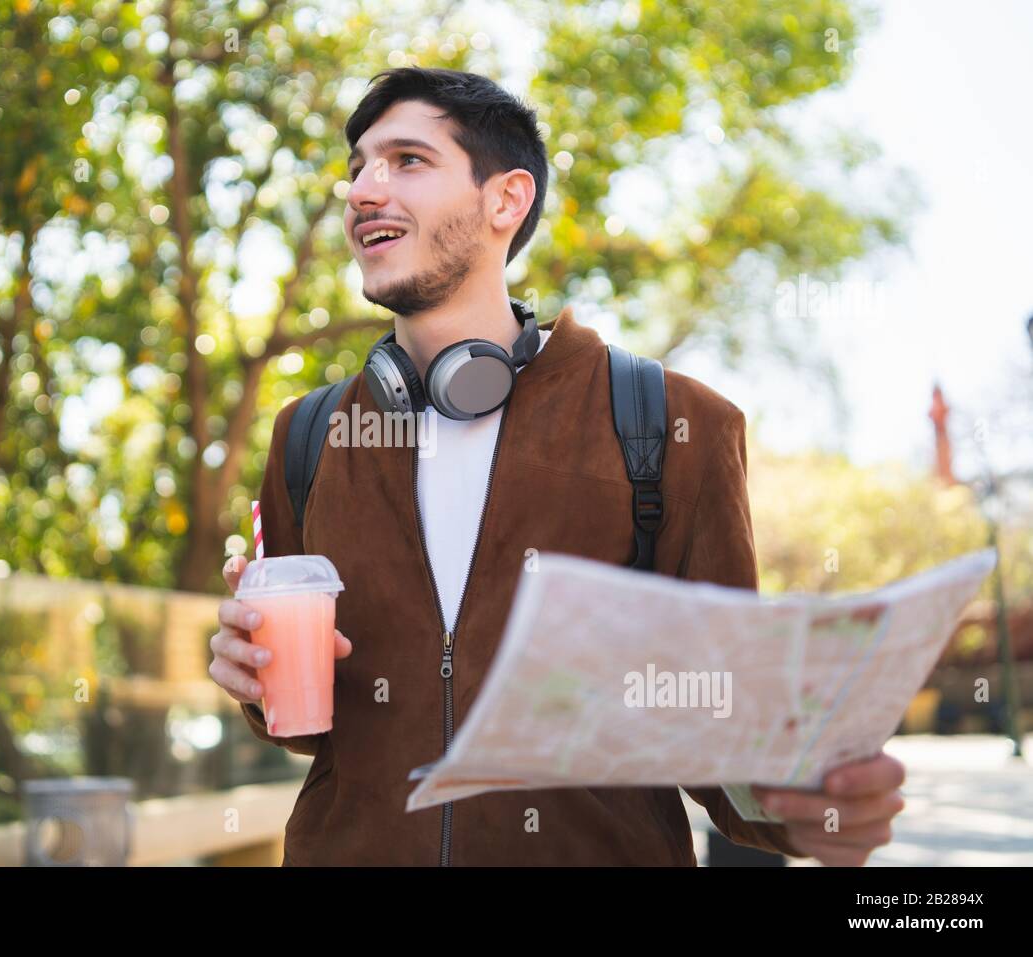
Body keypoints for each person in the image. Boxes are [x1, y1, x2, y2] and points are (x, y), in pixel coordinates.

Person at [209, 67, 905, 866]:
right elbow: (311, 724)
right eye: (357, 166)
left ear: (506, 200)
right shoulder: (308, 435)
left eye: (406, 160)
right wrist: (255, 682)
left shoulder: (673, 423)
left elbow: (725, 730)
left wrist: (812, 807)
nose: (364, 189)